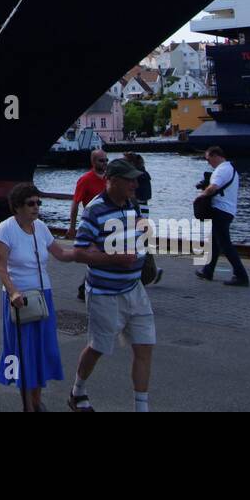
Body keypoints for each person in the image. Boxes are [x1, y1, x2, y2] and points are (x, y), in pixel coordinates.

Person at [67, 157, 155, 412]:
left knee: (145, 346)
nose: (135, 184)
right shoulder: (94, 210)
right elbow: (79, 252)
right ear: (113, 180)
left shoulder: (131, 204)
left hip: (134, 290)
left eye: (136, 179)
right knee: (97, 348)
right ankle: (78, 391)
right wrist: (113, 257)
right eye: (130, 179)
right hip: (105, 294)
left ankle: (142, 407)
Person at [0, 182, 80, 411]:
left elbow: (60, 253)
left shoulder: (41, 227)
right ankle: (28, 406)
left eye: (38, 202)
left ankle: (35, 401)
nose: (36, 207)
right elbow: (1, 267)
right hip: (19, 300)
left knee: (40, 350)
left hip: (43, 298)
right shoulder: (6, 229)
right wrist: (13, 291)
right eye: (31, 203)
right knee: (22, 353)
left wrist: (84, 254)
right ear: (17, 207)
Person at [196, 145, 249, 286]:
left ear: (215, 156)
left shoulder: (221, 170)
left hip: (221, 210)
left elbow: (213, 187)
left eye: (208, 159)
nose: (208, 162)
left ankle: (241, 275)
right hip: (227, 210)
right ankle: (208, 271)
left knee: (225, 244)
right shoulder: (230, 168)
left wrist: (200, 196)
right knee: (214, 242)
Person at [67, 149, 108, 299]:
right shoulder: (85, 180)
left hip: (109, 224)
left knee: (104, 255)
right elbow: (75, 203)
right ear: (93, 162)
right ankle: (84, 288)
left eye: (106, 160)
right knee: (98, 255)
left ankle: (85, 287)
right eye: (101, 161)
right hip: (93, 225)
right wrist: (72, 227)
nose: (104, 163)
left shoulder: (109, 179)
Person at [124, 152, 163, 285]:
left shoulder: (136, 175)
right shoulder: (144, 173)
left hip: (138, 209)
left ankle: (151, 269)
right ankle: (151, 269)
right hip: (144, 208)